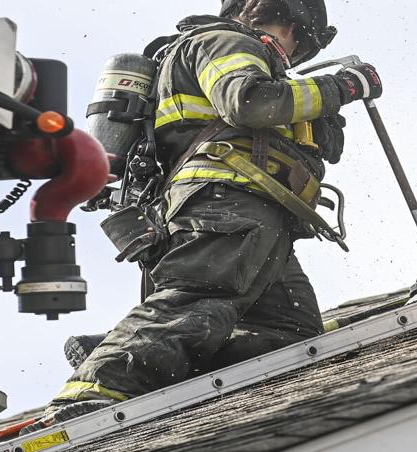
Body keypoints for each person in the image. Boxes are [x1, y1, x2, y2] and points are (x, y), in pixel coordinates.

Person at [40, 0, 382, 425]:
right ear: (293, 21)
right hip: (226, 205)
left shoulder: (235, 52)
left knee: (290, 334)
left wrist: (321, 120)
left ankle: (139, 355)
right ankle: (96, 386)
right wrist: (343, 87)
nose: (293, 59)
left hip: (256, 215)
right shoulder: (225, 41)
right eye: (299, 47)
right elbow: (250, 102)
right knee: (202, 297)